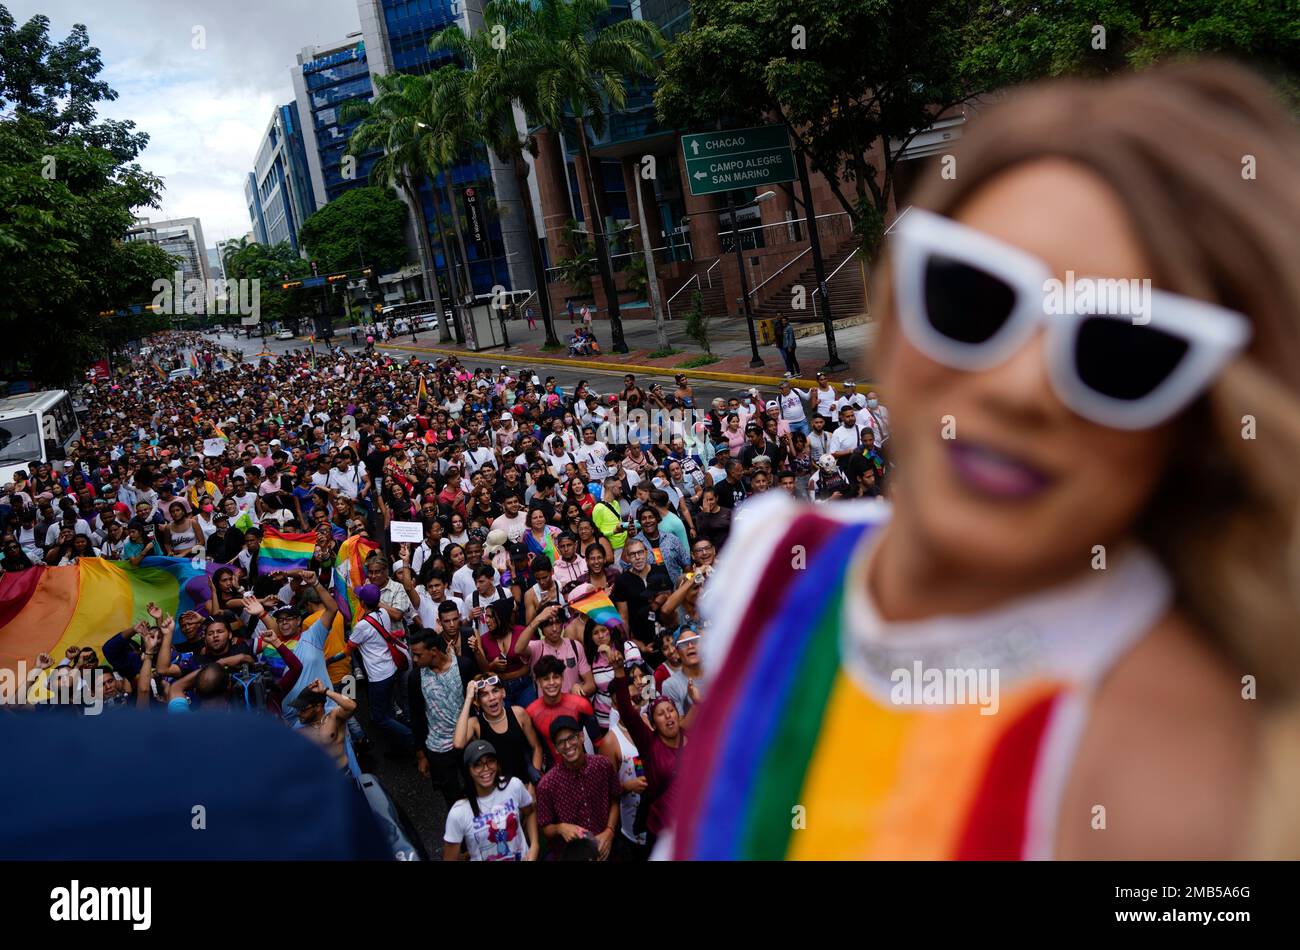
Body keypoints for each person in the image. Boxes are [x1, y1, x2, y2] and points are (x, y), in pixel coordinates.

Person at [670, 61, 1295, 861]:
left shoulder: (1175, 760)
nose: (1021, 386)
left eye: (1123, 352)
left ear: (1197, 422)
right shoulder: (771, 562)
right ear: (896, 320)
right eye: (973, 299)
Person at [535, 716, 621, 860]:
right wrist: (560, 828)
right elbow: (545, 827)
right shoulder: (547, 785)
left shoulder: (602, 765)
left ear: (581, 737)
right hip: (572, 855)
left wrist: (609, 832)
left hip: (605, 848)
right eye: (561, 742)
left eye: (571, 738)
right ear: (555, 749)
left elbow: (615, 801)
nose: (568, 745)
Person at [443, 739, 538, 861]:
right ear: (468, 770)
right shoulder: (459, 812)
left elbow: (530, 812)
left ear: (497, 764)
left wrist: (534, 845)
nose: (486, 768)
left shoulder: (513, 785)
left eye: (490, 761)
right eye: (477, 764)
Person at [408, 630, 466, 810]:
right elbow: (416, 716)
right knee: (453, 800)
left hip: (467, 740)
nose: (415, 660)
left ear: (433, 651)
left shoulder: (463, 667)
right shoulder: (415, 678)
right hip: (438, 748)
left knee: (478, 788)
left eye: (418, 655)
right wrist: (421, 754)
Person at [288, 678, 357, 773]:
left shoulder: (334, 717)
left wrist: (325, 691)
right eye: (298, 709)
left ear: (318, 707)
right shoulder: (298, 729)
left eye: (303, 709)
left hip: (342, 775)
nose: (299, 713)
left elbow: (351, 706)